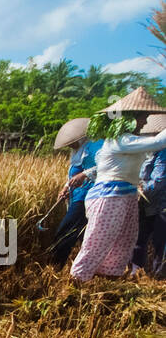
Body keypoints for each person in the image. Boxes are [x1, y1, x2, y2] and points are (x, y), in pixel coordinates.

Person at [69, 88, 166, 283]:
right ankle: (75, 284)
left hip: (126, 196)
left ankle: (108, 279)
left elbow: (110, 164)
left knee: (125, 241)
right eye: (142, 117)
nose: (145, 122)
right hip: (109, 196)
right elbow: (157, 142)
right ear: (129, 119)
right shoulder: (121, 140)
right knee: (98, 241)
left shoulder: (128, 141)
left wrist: (87, 173)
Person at [49, 117, 101, 266]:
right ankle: (84, 266)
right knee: (81, 233)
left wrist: (85, 175)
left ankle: (55, 265)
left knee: (66, 230)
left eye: (71, 141)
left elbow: (104, 167)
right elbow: (74, 174)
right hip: (76, 195)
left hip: (88, 195)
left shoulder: (95, 147)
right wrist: (66, 187)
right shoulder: (76, 151)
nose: (70, 145)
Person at [131, 113, 166, 275]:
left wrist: (141, 190)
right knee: (138, 240)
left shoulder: (163, 153)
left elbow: (159, 179)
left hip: (161, 205)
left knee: (160, 242)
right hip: (145, 203)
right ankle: (136, 273)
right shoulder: (149, 153)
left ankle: (160, 278)